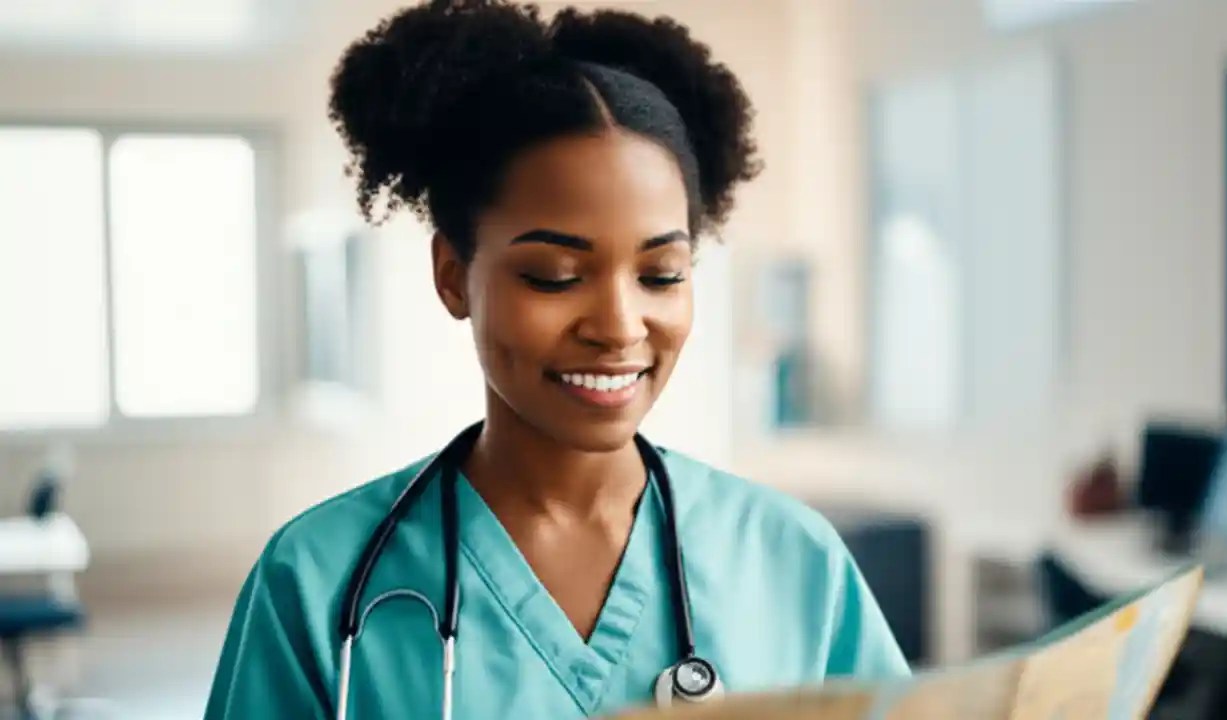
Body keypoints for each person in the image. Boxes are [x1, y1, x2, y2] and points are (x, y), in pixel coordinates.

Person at [204, 1, 909, 718]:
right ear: (453, 275)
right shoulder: (318, 579)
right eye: (554, 275)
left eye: (661, 274)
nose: (618, 326)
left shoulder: (793, 561)